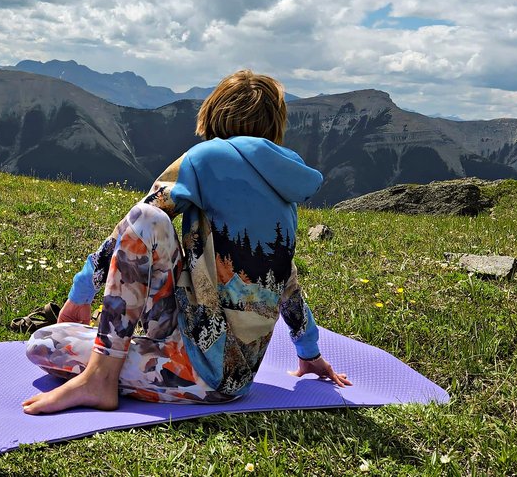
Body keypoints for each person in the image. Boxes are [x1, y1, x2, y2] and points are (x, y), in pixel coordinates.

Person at [22, 69, 351, 415]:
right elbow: (284, 280)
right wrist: (309, 352)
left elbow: (140, 220)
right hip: (235, 381)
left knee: (45, 343)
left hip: (193, 375)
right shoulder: (286, 200)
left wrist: (81, 292)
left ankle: (100, 378)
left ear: (214, 114)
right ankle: (118, 362)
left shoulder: (205, 158)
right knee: (152, 224)